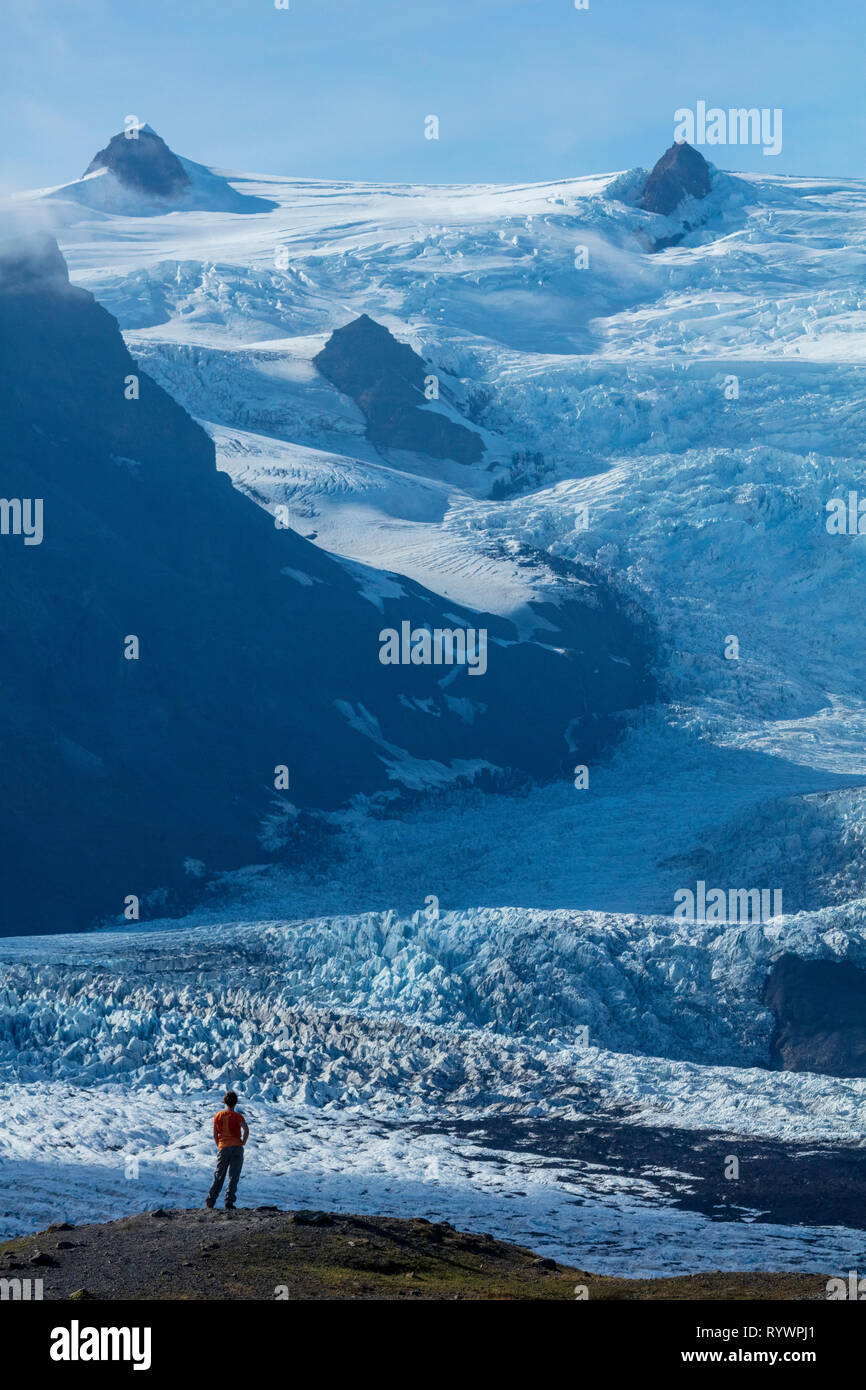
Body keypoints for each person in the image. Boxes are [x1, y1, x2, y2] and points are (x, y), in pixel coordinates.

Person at [205, 1091, 249, 1210]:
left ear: (224, 1102)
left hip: (223, 1147)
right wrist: (243, 1142)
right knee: (233, 1176)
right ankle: (229, 1202)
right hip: (237, 1148)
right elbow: (246, 1129)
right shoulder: (239, 1116)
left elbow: (215, 1134)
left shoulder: (218, 1116)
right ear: (236, 1103)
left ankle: (211, 1201)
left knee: (219, 1175)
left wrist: (219, 1145)